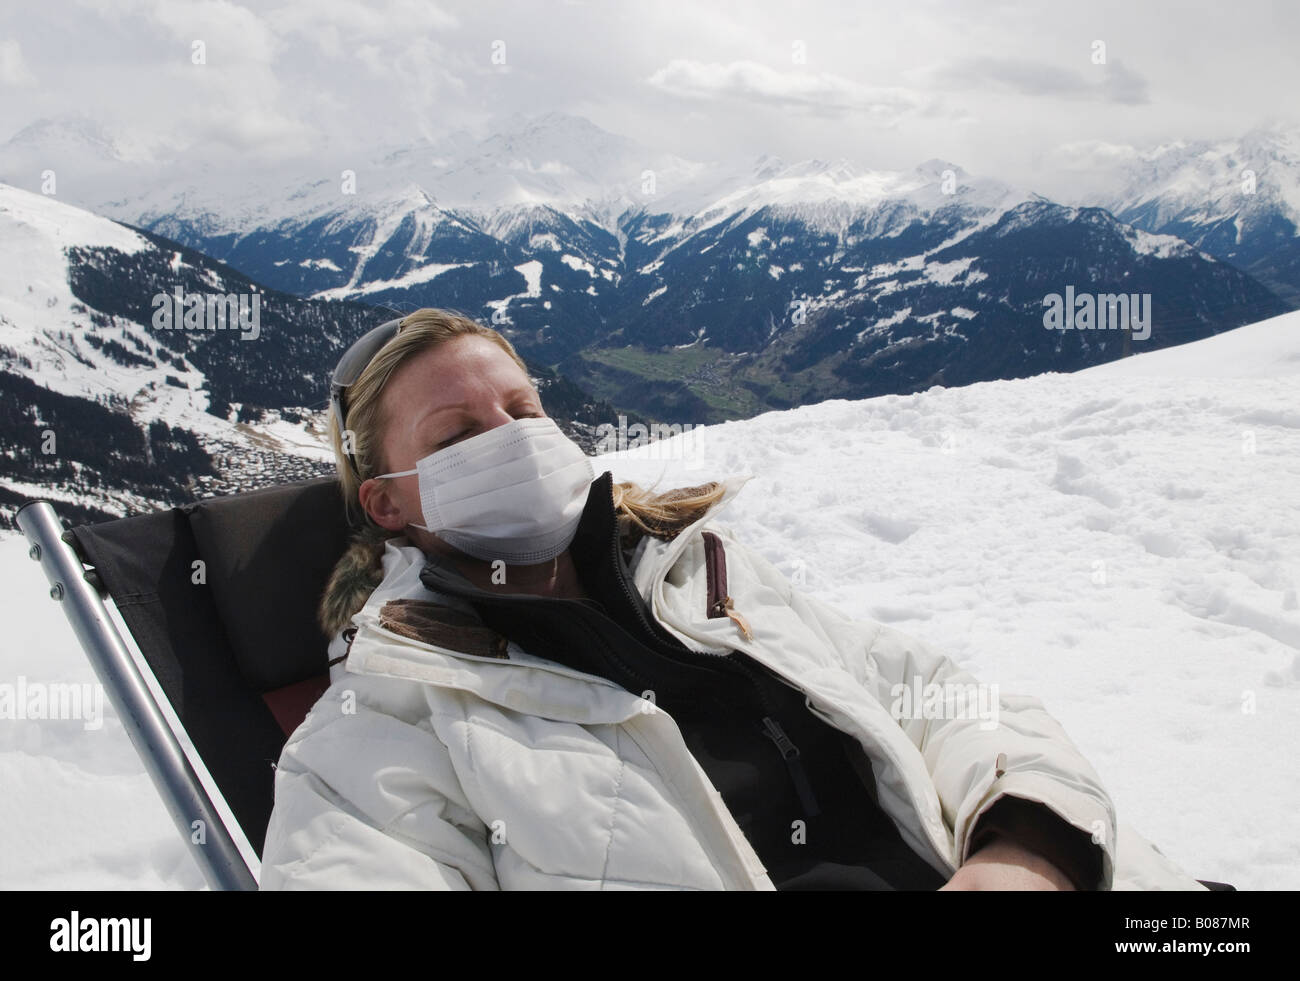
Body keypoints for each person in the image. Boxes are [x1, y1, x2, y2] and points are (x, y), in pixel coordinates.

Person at [259, 307, 1206, 891]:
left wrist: (1030, 849)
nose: (509, 439)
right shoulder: (373, 735)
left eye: (523, 409)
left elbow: (938, 697)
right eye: (458, 435)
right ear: (388, 504)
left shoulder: (702, 574)